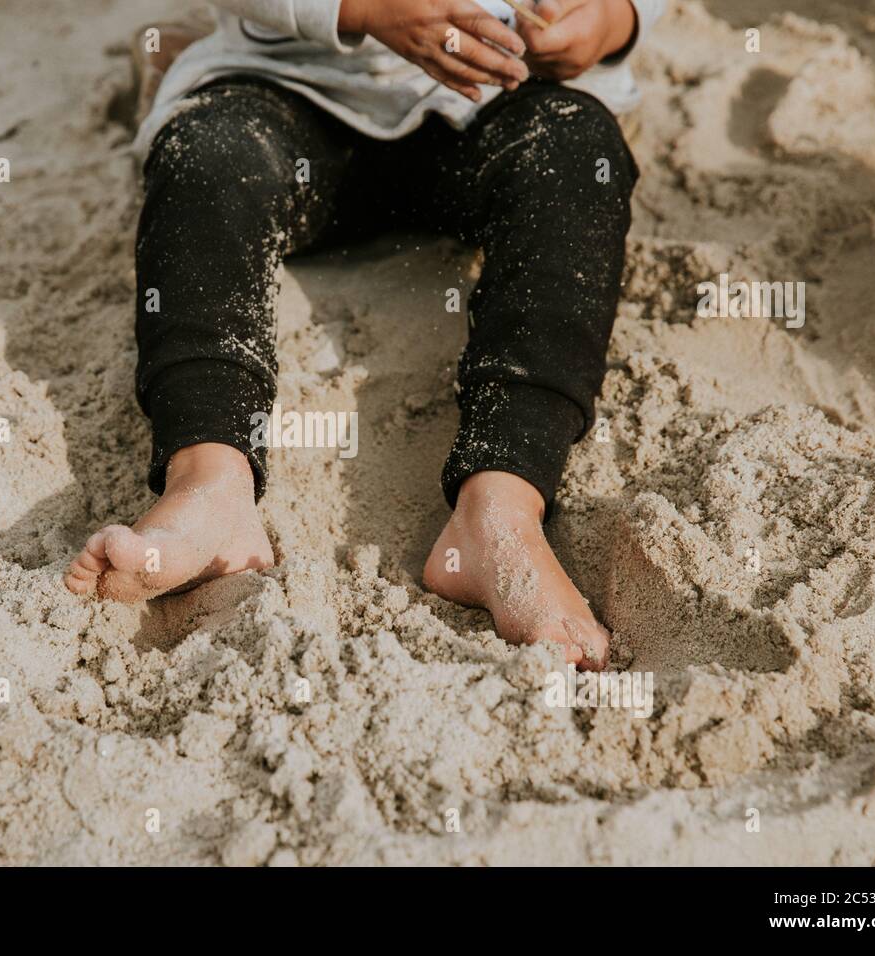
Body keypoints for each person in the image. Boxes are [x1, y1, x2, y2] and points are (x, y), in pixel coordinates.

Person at [66, 0, 667, 670]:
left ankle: (500, 509)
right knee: (205, 157)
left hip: (505, 104)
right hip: (288, 90)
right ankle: (209, 482)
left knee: (577, 157)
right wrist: (365, 10)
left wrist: (613, 20)